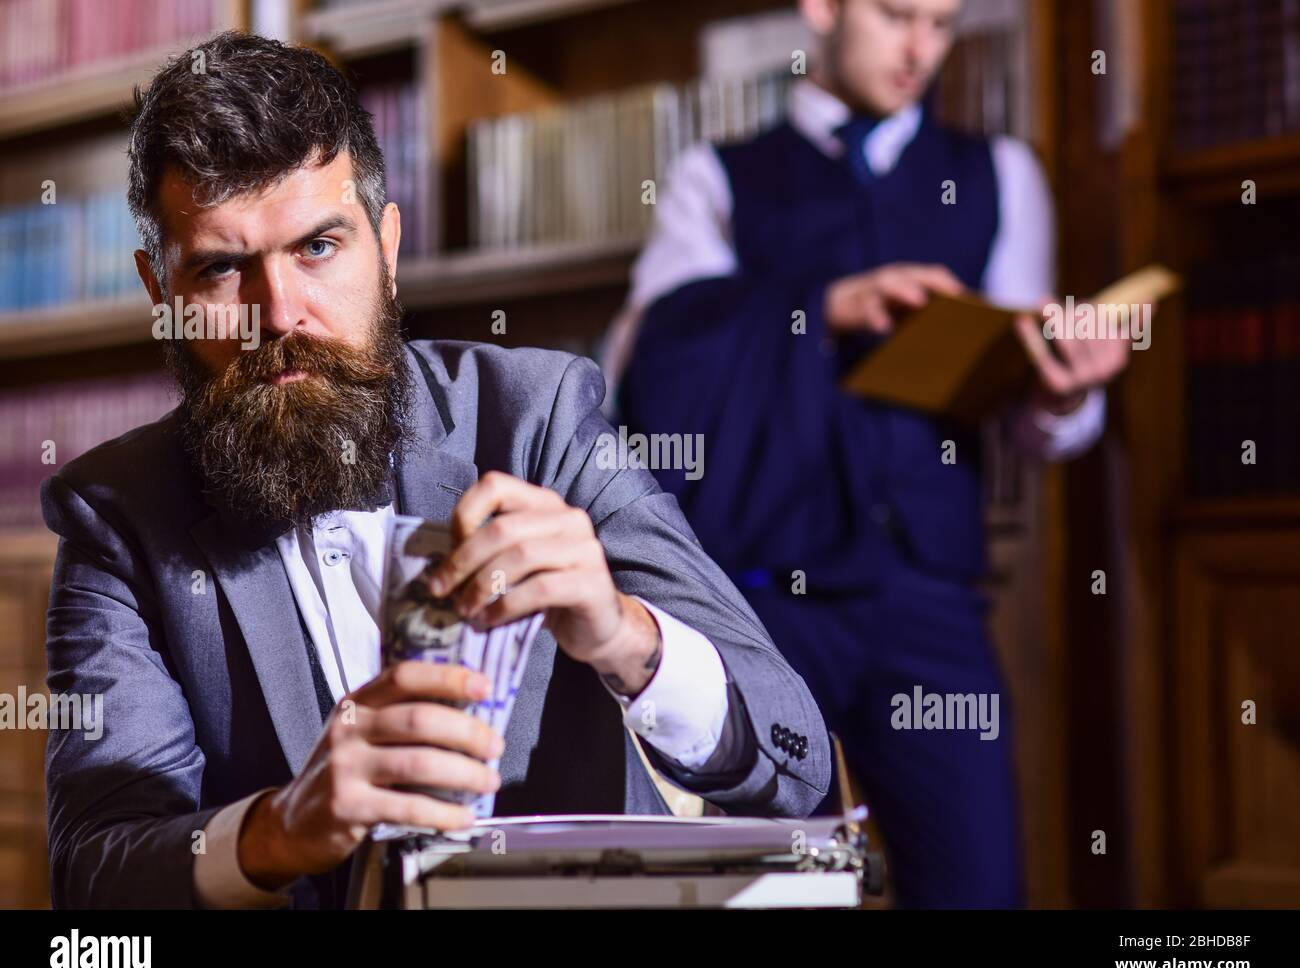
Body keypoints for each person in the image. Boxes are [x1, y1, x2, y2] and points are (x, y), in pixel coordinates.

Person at [40, 31, 830, 910]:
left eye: (317, 247)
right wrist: (279, 827)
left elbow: (794, 760)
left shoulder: (542, 419)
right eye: (223, 267)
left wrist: (625, 636)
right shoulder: (114, 517)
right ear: (162, 293)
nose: (280, 315)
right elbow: (97, 873)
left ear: (387, 242)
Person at [609, 0, 1132, 907]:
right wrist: (825, 306)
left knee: (977, 884)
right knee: (769, 892)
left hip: (926, 603)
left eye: (943, 24)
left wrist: (1067, 389)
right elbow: (652, 366)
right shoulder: (715, 176)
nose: (920, 49)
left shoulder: (1001, 175)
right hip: (760, 606)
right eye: (897, 16)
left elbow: (1028, 419)